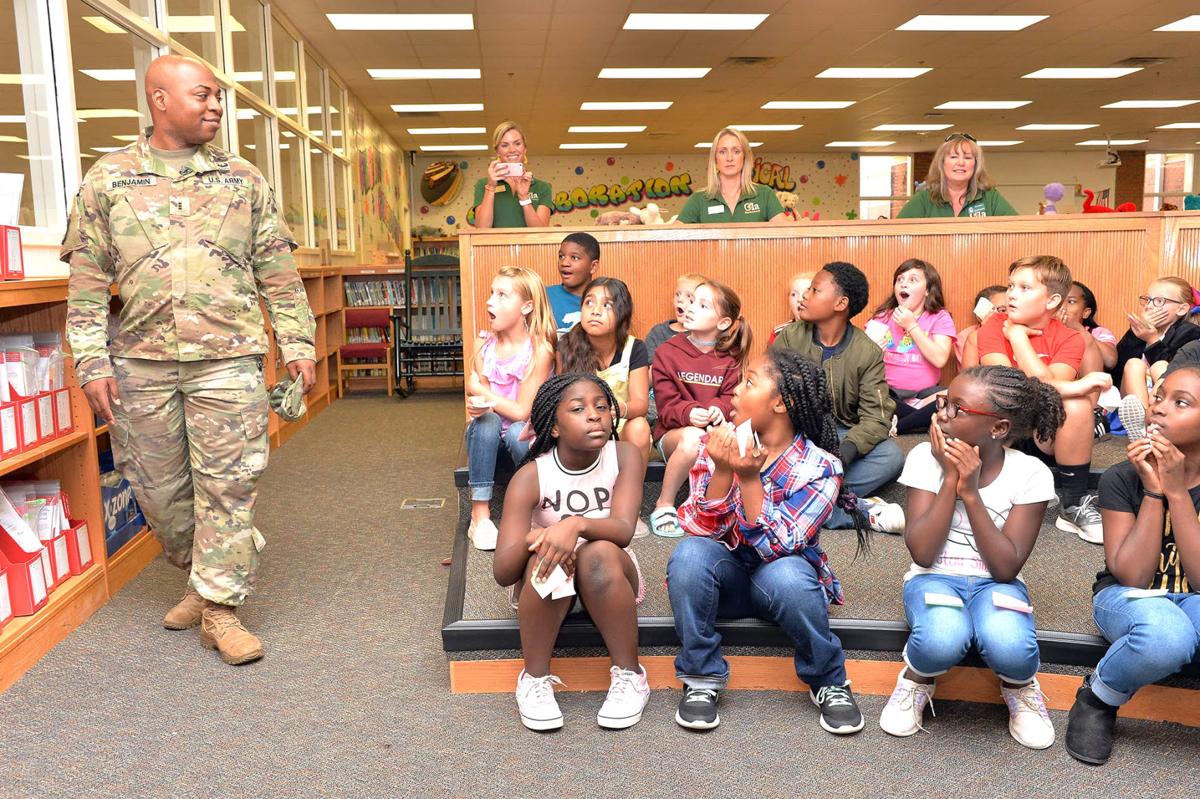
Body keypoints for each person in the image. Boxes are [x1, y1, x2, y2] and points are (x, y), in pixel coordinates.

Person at [62, 55, 316, 665]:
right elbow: (88, 285)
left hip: (227, 360)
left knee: (228, 487)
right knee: (158, 491)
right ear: (159, 100)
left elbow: (279, 276)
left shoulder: (243, 179)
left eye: (219, 98)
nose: (216, 107)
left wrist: (299, 344)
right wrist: (90, 364)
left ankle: (221, 610)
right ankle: (204, 579)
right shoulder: (108, 180)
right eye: (203, 95)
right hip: (140, 365)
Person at [668, 349, 869, 734]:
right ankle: (701, 676)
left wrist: (749, 479)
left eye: (749, 382)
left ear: (781, 402)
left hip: (777, 581)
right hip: (725, 580)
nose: (735, 392)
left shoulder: (821, 467)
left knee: (791, 575)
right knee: (689, 555)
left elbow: (780, 546)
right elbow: (698, 526)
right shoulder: (719, 446)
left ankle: (828, 679)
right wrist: (725, 469)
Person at [882, 366, 1063, 750]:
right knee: (941, 639)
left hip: (995, 583)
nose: (941, 414)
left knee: (1011, 648)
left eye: (957, 409)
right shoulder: (922, 458)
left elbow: (1004, 567)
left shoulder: (1031, 473)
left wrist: (971, 491)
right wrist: (950, 477)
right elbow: (923, 552)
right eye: (944, 403)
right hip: (934, 578)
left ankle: (1020, 685)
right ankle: (916, 678)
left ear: (998, 429)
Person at [493, 374, 648, 731]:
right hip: (547, 581)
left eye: (601, 407)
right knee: (553, 553)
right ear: (555, 427)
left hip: (608, 575)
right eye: (578, 409)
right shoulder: (531, 476)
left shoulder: (624, 455)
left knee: (597, 552)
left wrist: (574, 525)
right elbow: (503, 571)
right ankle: (534, 679)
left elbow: (623, 530)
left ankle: (629, 675)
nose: (594, 416)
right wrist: (547, 538)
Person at [1066, 366, 1200, 765]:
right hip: (1126, 594)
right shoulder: (1123, 478)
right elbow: (1132, 575)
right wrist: (1155, 492)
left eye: (1181, 403)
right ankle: (1097, 698)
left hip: (1193, 593)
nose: (1158, 408)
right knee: (1166, 638)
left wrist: (1177, 491)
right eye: (1158, 396)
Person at [978, 255, 1112, 544]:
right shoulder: (993, 325)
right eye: (1011, 285)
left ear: (1051, 301)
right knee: (1000, 396)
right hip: (999, 428)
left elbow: (1049, 389)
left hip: (1044, 434)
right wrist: (1077, 385)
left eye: (1025, 288)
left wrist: (1018, 339)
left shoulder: (1070, 338)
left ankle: (1073, 504)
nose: (1012, 293)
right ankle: (991, 488)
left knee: (1076, 403)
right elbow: (1004, 383)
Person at [772, 262, 905, 532]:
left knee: (890, 456)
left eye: (815, 290)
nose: (804, 296)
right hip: (796, 437)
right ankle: (845, 508)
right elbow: (771, 397)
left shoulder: (867, 352)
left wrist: (846, 451)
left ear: (840, 303)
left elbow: (877, 418)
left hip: (843, 437)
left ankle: (804, 497)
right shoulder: (788, 338)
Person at [464, 266, 557, 550]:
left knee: (518, 429)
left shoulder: (540, 350)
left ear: (527, 306)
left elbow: (521, 412)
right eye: (492, 293)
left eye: (502, 295)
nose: (491, 301)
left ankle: (535, 510)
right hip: (488, 440)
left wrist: (481, 391)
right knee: (486, 423)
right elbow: (477, 407)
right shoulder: (484, 345)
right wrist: (478, 405)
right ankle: (479, 516)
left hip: (523, 440)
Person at [648, 281, 750, 537]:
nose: (691, 308)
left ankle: (716, 509)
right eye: (693, 301)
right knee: (693, 436)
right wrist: (688, 412)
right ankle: (664, 503)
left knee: (743, 438)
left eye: (703, 305)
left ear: (724, 323)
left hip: (716, 432)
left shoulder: (731, 357)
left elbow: (732, 398)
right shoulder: (667, 352)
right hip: (674, 436)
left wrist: (719, 408)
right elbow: (665, 407)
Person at [557, 278, 652, 460]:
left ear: (622, 313)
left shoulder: (635, 347)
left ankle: (632, 487)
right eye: (589, 302)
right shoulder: (566, 346)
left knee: (639, 426)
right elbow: (562, 400)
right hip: (583, 424)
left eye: (607, 305)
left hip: (620, 424)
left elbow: (640, 404)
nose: (595, 311)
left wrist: (614, 410)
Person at [866, 259, 956, 435]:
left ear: (928, 290)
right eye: (900, 279)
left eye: (913, 280)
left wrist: (912, 326)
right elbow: (859, 364)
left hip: (924, 396)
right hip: (886, 393)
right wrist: (872, 351)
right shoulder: (882, 317)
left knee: (953, 398)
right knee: (866, 394)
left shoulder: (939, 317)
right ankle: (920, 420)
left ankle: (896, 425)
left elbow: (939, 359)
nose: (904, 284)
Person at [1112, 277, 1200, 409]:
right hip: (1132, 398)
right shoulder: (1138, 333)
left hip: (1169, 399)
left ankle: (1151, 420)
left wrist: (1152, 340)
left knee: (1160, 366)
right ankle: (1142, 421)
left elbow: (1178, 371)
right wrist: (1134, 333)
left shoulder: (1190, 333)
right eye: (1148, 300)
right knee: (1134, 364)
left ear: (1181, 309)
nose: (1149, 306)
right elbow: (1117, 369)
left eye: (1159, 301)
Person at [677, 128, 787, 224]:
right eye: (722, 152)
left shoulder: (764, 194)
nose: (729, 158)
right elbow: (672, 235)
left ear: (745, 157)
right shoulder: (699, 199)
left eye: (736, 151)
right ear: (715, 159)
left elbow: (786, 234)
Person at [897, 134, 1018, 218]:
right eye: (953, 157)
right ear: (942, 162)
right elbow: (897, 234)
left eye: (968, 158)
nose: (961, 163)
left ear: (976, 165)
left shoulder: (990, 197)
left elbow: (1017, 228)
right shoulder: (924, 198)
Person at [471, 120, 553, 229]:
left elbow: (540, 233)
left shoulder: (543, 187)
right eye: (504, 145)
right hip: (496, 246)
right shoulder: (483, 185)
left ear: (525, 149)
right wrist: (491, 187)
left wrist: (524, 198)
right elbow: (481, 229)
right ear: (497, 151)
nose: (512, 150)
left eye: (517, 144)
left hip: (529, 246)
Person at [644, 273, 707, 364]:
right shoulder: (658, 332)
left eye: (689, 297)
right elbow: (649, 368)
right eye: (677, 294)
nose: (680, 299)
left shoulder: (707, 334)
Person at [546, 232, 600, 335]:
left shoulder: (603, 300)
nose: (564, 263)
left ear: (593, 266)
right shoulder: (544, 295)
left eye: (574, 258)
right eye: (561, 256)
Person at [1060, 281, 1118, 373]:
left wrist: (1079, 329)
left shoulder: (1098, 332)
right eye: (1059, 300)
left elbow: (1110, 361)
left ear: (1085, 312)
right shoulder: (1044, 329)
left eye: (1071, 302)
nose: (1062, 306)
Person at [957, 285, 1007, 367]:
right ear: (981, 313)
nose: (1008, 314)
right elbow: (969, 377)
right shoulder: (967, 338)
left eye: (1012, 308)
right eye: (1002, 310)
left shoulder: (1022, 332)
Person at [767, 272, 815, 345]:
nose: (799, 299)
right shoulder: (779, 332)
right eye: (794, 294)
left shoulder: (829, 333)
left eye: (806, 292)